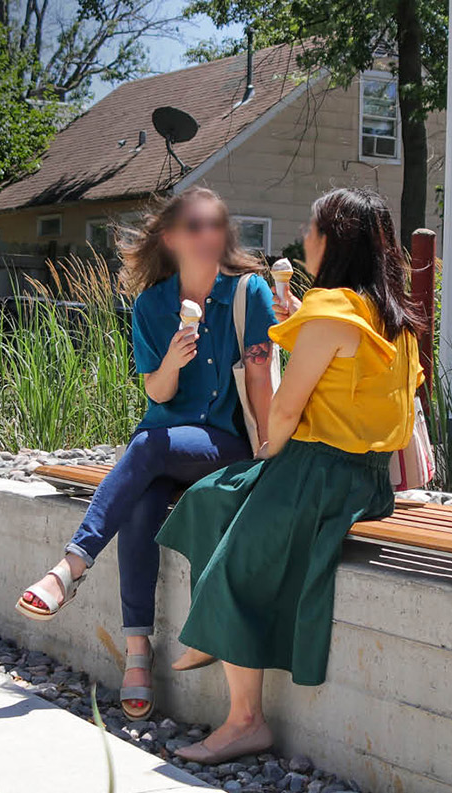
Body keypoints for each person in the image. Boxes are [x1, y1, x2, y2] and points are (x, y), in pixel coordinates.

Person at [155, 188, 425, 762]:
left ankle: (245, 719)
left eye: (312, 228)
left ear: (335, 242)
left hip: (318, 472)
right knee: (207, 498)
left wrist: (271, 454)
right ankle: (217, 631)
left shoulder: (330, 312)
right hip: (367, 477)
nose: (304, 238)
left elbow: (283, 409)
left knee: (235, 562)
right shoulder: (392, 317)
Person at [15, 187, 279, 721]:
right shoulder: (151, 305)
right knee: (140, 501)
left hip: (224, 444)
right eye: (194, 226)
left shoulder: (250, 292)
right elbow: (157, 395)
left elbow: (259, 382)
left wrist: (273, 459)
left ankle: (72, 565)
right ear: (170, 237)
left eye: (215, 225)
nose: (208, 236)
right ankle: (138, 652)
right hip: (163, 445)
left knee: (146, 448)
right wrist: (175, 361)